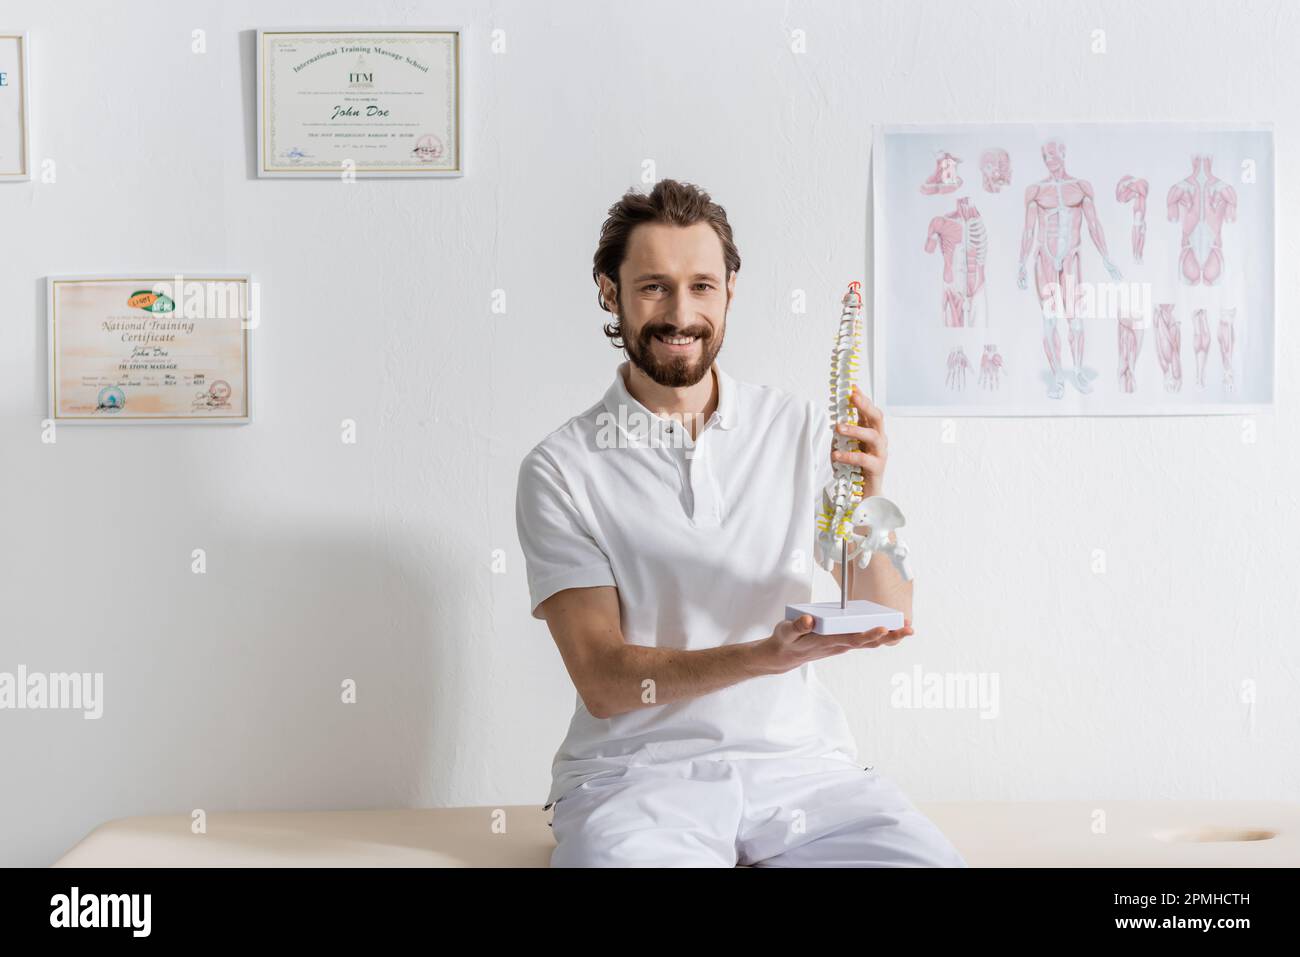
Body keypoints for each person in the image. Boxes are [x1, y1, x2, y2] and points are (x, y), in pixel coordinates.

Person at [514, 178, 967, 867]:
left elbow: (888, 608)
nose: (681, 313)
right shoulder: (560, 467)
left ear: (730, 287)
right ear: (610, 291)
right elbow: (604, 681)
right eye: (653, 287)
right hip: (637, 784)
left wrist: (871, 497)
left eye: (701, 285)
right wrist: (764, 655)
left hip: (802, 773)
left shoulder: (798, 428)